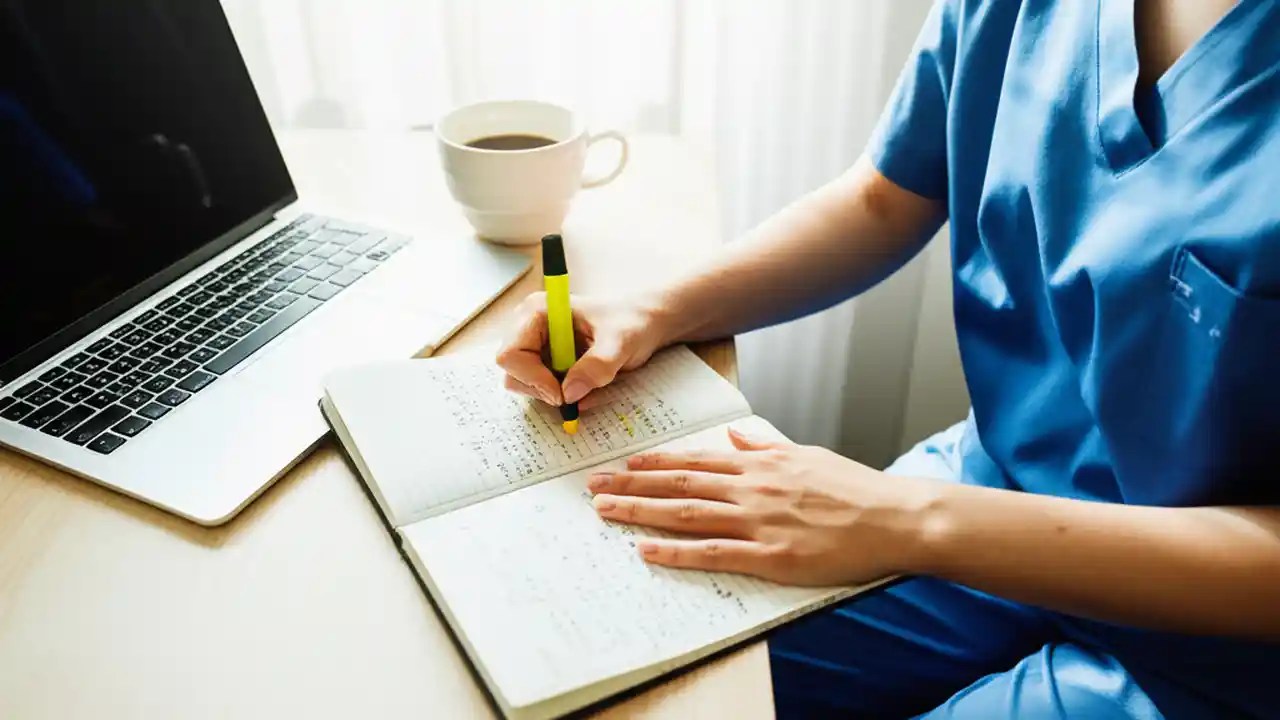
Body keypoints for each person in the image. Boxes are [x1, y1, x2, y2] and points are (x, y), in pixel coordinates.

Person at [496, 0, 1280, 716]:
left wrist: (904, 519)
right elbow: (884, 197)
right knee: (647, 675)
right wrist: (659, 308)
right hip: (989, 486)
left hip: (1212, 654)